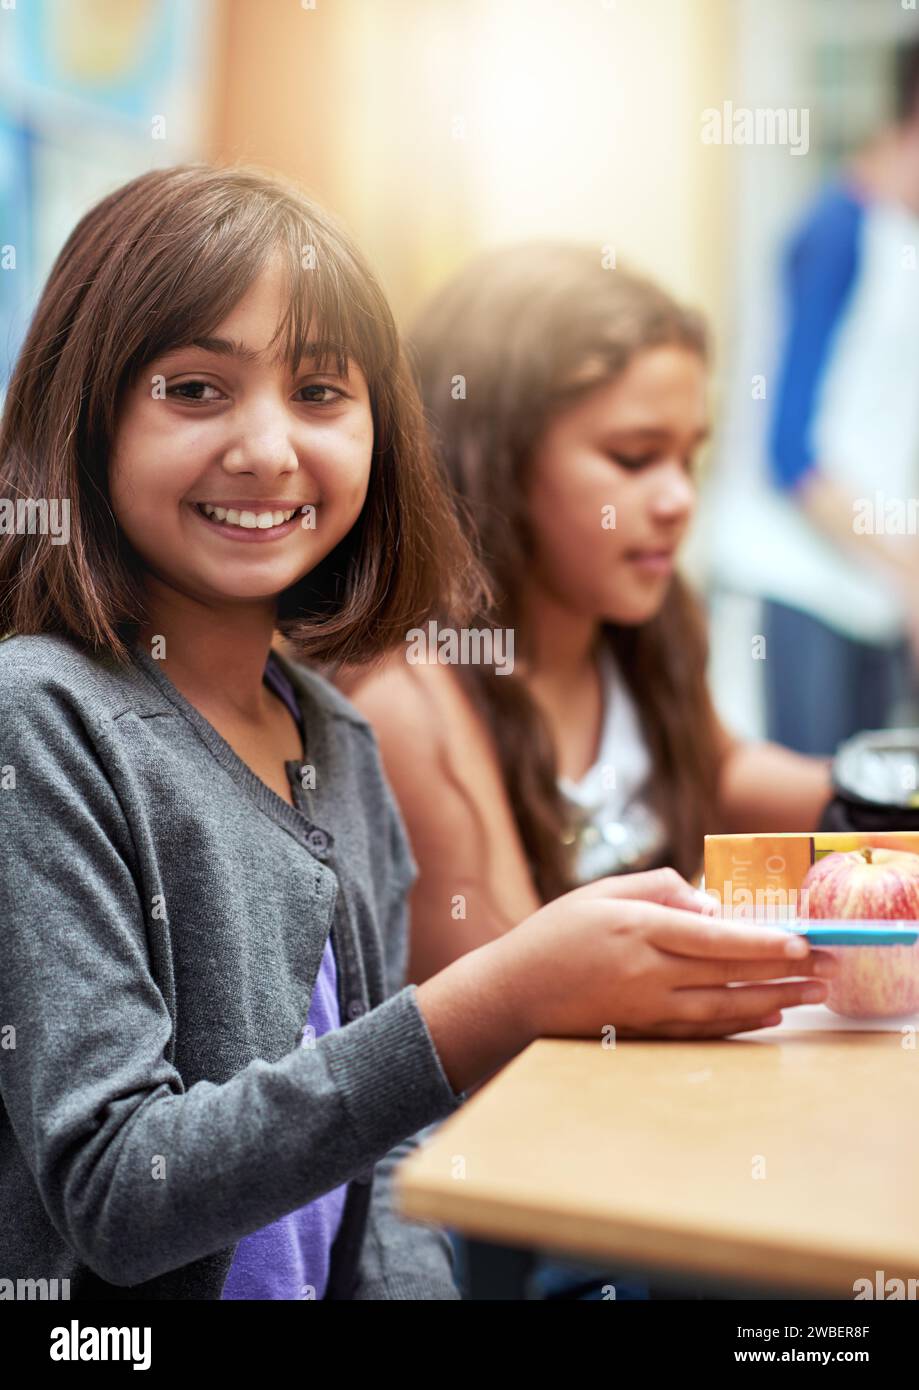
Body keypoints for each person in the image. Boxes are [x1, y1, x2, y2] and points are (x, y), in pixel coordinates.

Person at [0, 167, 835, 1302]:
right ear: (83, 413)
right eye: (195, 389)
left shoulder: (333, 740)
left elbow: (382, 1163)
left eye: (319, 392)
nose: (268, 447)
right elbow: (121, 1193)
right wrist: (499, 997)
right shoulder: (43, 718)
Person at [708, 39, 919, 755]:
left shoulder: (901, 236)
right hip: (798, 579)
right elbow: (788, 449)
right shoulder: (834, 232)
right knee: (821, 828)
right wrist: (904, 567)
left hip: (868, 587)